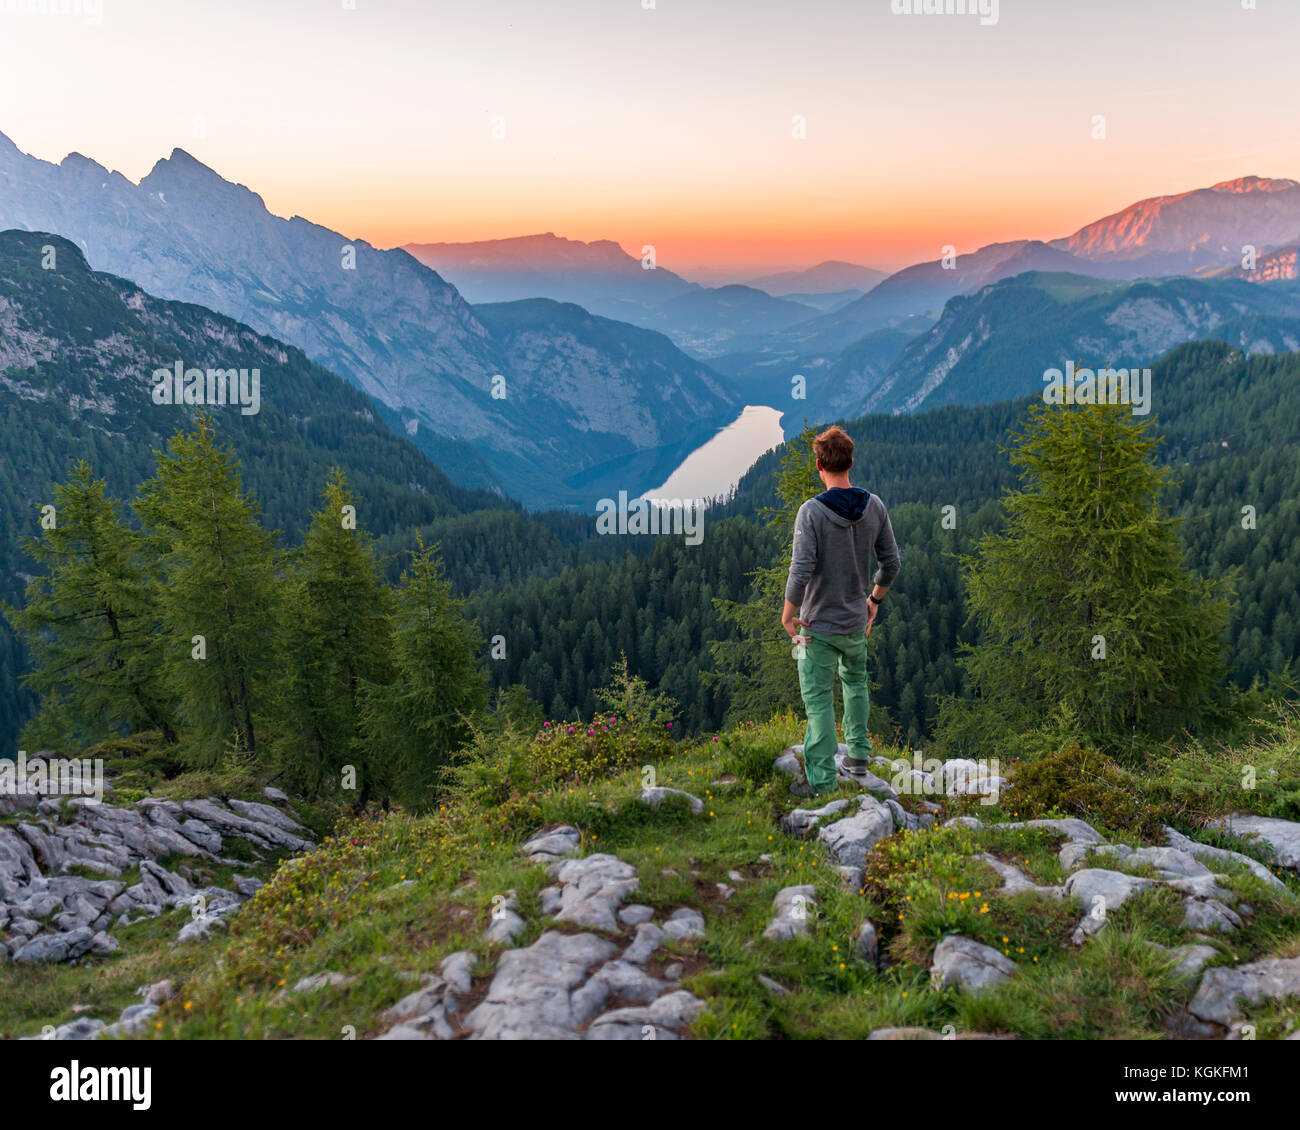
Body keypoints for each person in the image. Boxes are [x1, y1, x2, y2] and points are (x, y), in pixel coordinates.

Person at [781, 425, 901, 797]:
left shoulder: (811, 512)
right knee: (855, 684)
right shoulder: (874, 505)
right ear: (851, 461)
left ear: (819, 464)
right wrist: (873, 602)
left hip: (816, 627)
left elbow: (800, 570)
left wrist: (788, 616)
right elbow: (891, 562)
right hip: (854, 624)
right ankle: (859, 757)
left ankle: (822, 782)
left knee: (817, 699)